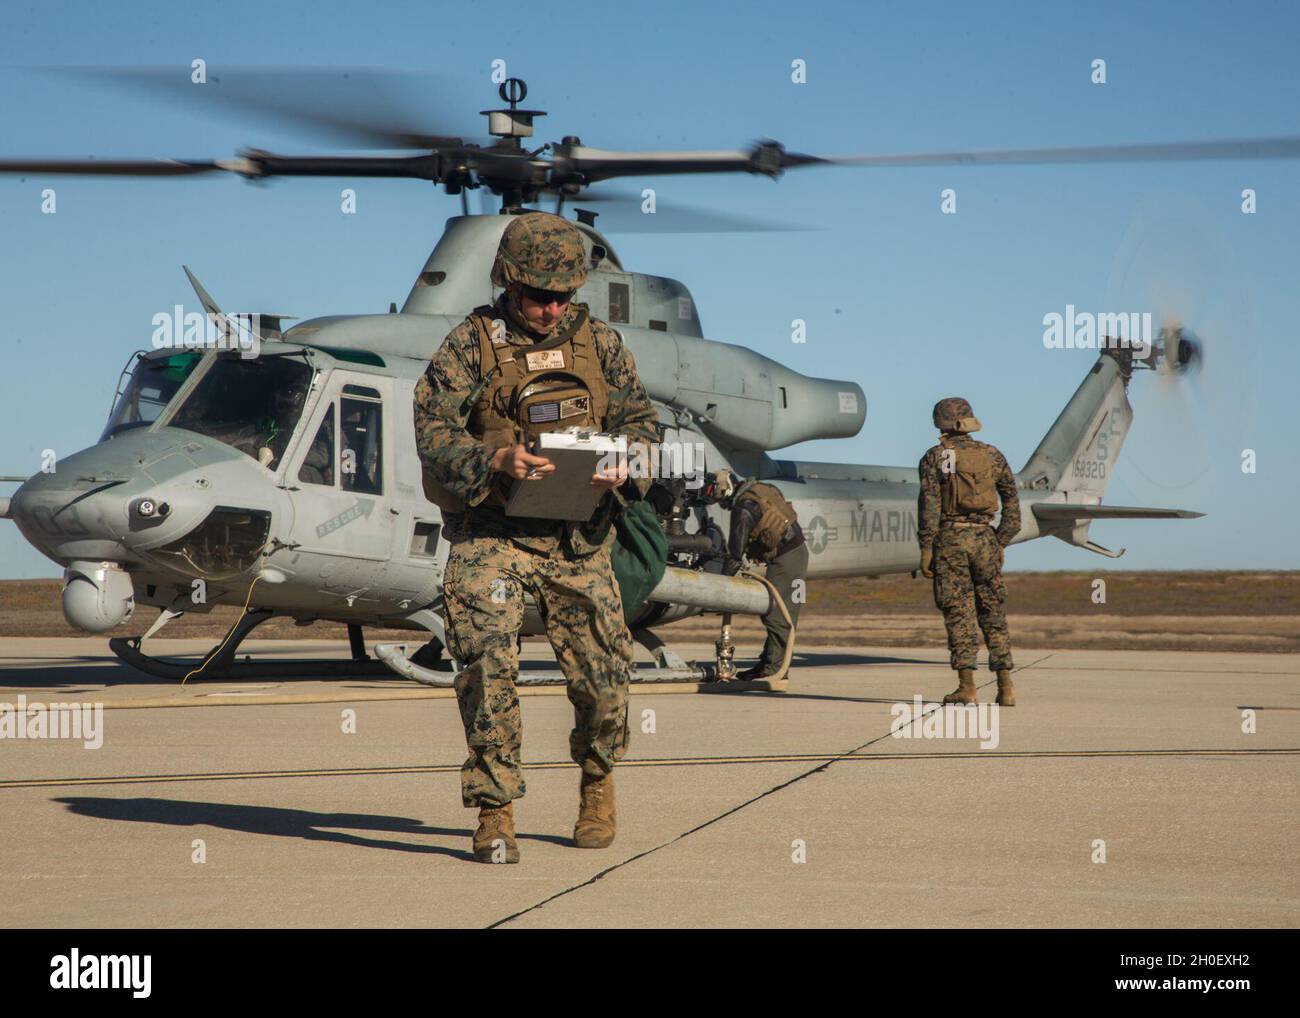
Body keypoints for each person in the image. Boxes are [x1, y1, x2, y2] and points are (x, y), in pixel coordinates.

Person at [413, 212, 659, 864]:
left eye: (563, 296)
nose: (551, 309)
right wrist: (492, 462)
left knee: (606, 680)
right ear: (508, 281)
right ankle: (496, 810)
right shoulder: (472, 343)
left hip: (579, 535)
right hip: (493, 531)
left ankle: (598, 782)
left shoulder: (599, 343)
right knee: (486, 657)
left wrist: (627, 460)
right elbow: (432, 432)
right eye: (538, 296)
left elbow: (641, 421)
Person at [917, 397, 1021, 706]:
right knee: (993, 612)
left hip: (951, 540)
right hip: (985, 539)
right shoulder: (993, 455)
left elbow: (930, 506)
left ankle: (968, 687)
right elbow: (1012, 504)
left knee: (959, 612)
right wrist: (999, 540)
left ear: (940, 424)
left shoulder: (937, 457)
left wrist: (926, 547)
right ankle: (1006, 686)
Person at [715, 470, 807, 680]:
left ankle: (775, 669)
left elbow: (735, 556)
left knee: (777, 615)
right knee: (783, 614)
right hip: (795, 551)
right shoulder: (759, 490)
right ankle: (770, 662)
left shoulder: (743, 509)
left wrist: (720, 587)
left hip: (787, 557)